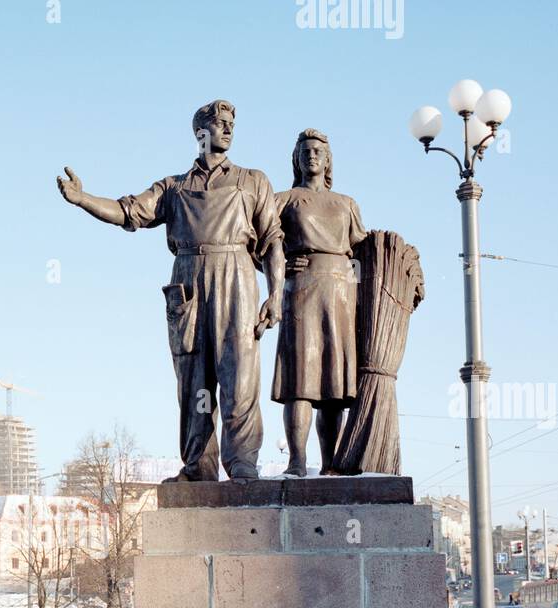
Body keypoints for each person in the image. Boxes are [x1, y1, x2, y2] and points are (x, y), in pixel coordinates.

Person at [57, 100, 285, 481]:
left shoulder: (253, 181)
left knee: (240, 374)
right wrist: (83, 199)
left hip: (237, 278)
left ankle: (242, 462)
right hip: (188, 281)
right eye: (219, 124)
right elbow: (128, 211)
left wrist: (275, 294)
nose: (227, 129)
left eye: (231, 123)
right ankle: (198, 465)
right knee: (193, 379)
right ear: (200, 133)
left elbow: (273, 240)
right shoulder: (174, 188)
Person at [272, 129, 367, 476]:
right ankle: (297, 460)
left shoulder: (347, 204)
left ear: (328, 160)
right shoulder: (283, 199)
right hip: (302, 288)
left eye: (318, 151)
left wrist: (355, 285)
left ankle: (330, 463)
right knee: (299, 378)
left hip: (340, 292)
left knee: (333, 384)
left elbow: (361, 251)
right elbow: (260, 244)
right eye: (305, 151)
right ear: (296, 159)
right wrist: (282, 264)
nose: (312, 155)